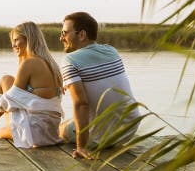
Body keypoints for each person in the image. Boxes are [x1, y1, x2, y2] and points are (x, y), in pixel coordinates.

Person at [59, 11, 140, 159]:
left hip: (99, 136)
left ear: (82, 35)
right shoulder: (112, 51)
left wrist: (81, 147)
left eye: (64, 33)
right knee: (70, 121)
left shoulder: (70, 60)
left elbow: (81, 104)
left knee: (57, 129)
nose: (61, 38)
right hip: (129, 128)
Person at [0, 21, 64, 148]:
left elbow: (7, 101)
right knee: (6, 79)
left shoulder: (29, 63)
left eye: (16, 40)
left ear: (29, 39)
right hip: (50, 133)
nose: (13, 45)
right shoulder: (52, 66)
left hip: (35, 135)